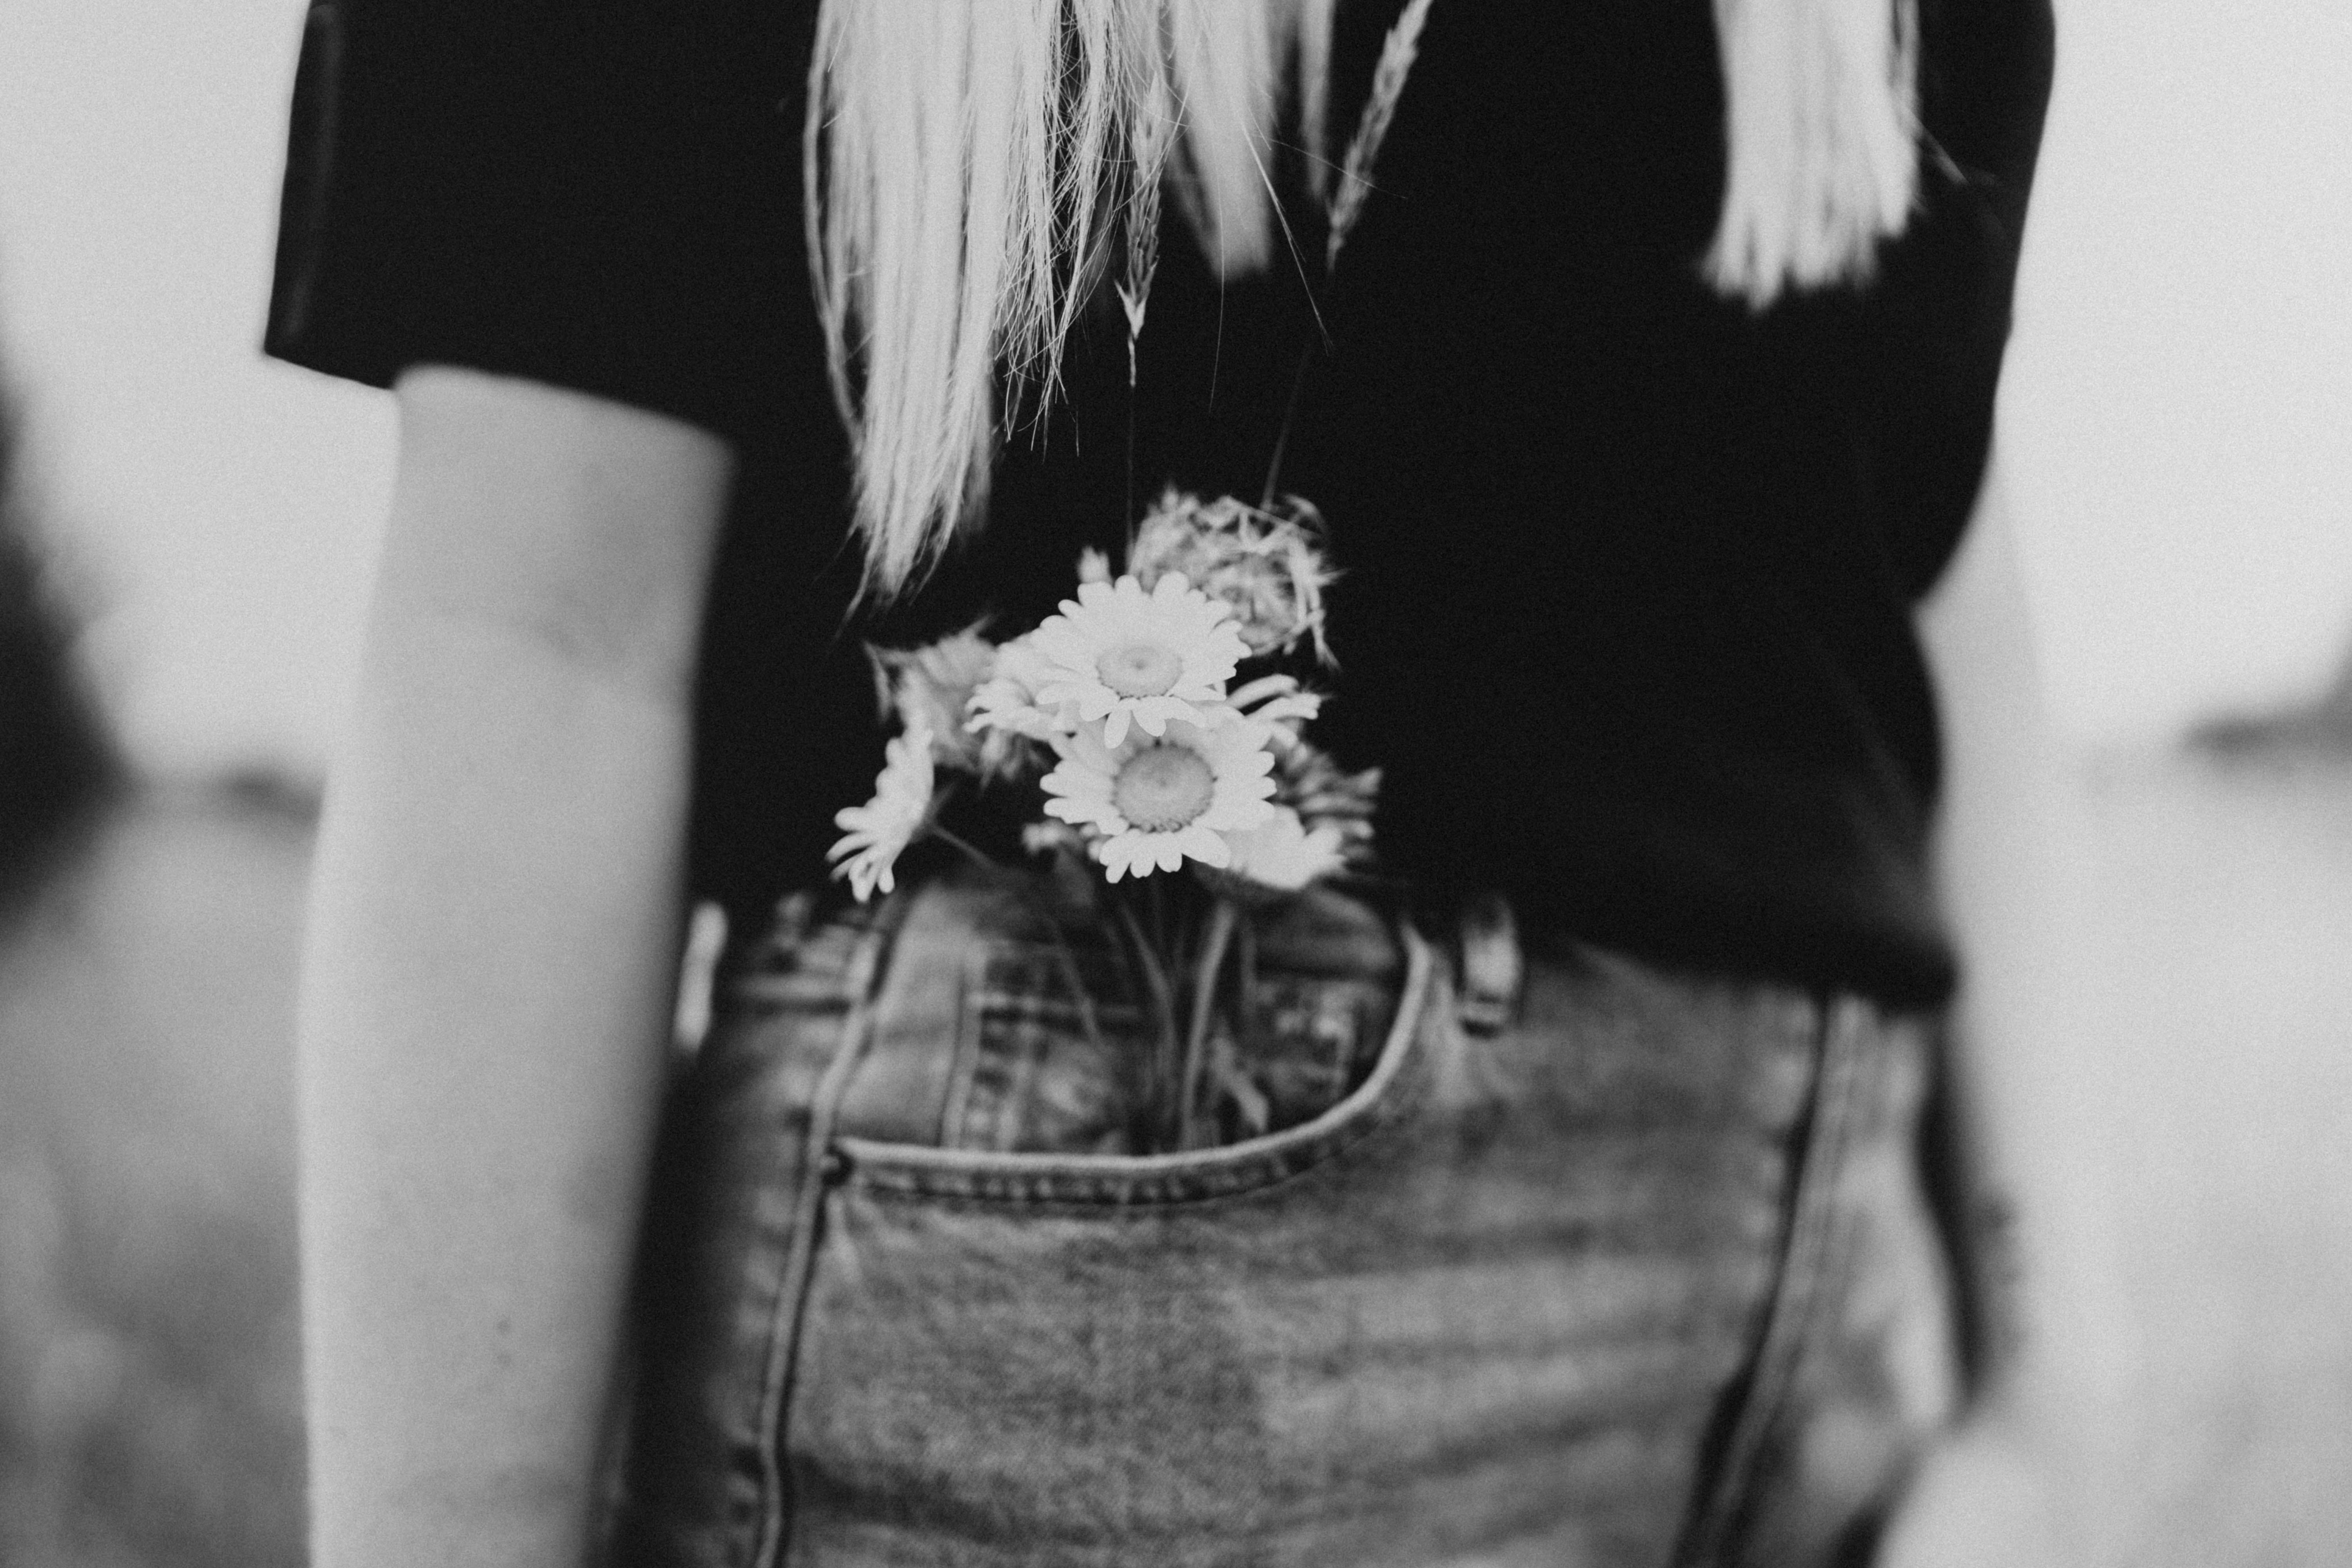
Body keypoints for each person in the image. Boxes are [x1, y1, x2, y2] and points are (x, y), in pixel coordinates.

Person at [267, 2, 2062, 1563]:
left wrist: (2057, 1380)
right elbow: (537, 631)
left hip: (1840, 1326)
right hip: (1142, 1322)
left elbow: (1904, 505)